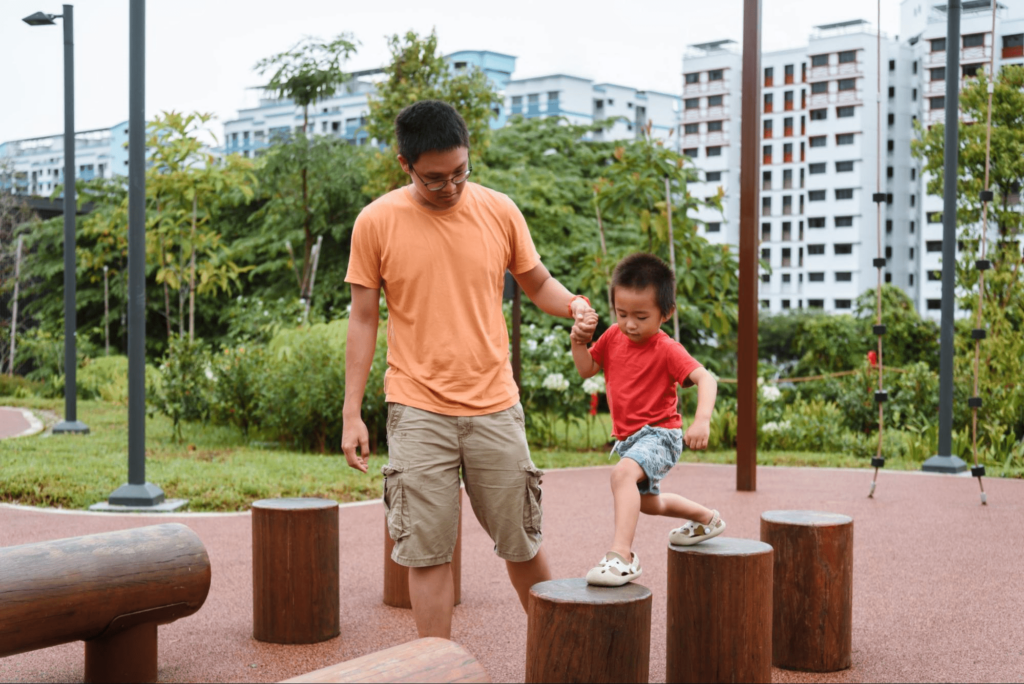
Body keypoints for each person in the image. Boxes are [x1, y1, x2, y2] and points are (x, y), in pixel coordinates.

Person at [341, 99, 596, 638]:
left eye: (460, 172)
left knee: (522, 542)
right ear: (405, 164)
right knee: (427, 552)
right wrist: (351, 413)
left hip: (495, 405)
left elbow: (537, 283)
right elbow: (363, 318)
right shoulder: (376, 221)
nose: (451, 187)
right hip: (416, 407)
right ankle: (438, 668)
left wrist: (573, 303)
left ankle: (561, 656)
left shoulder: (499, 210)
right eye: (435, 179)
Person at [569, 253, 725, 587]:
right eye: (622, 313)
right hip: (630, 440)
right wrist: (578, 342)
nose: (630, 324)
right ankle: (707, 519)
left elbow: (706, 379)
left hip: (661, 434)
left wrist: (702, 420)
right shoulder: (612, 336)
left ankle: (622, 556)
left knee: (622, 474)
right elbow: (586, 368)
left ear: (666, 313)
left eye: (641, 316)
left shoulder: (666, 348)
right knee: (648, 504)